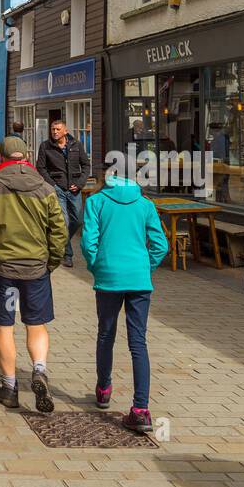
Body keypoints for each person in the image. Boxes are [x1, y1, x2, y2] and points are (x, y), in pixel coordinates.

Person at [0, 135, 67, 412]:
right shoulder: (45, 188)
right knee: (36, 323)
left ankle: (9, 387)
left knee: (5, 325)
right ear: (25, 156)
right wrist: (53, 260)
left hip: (1, 268)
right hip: (36, 267)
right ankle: (38, 369)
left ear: (1, 157)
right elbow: (59, 229)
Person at [80, 174, 169, 432]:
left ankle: (104, 388)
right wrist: (146, 267)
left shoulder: (96, 202)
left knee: (106, 334)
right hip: (139, 279)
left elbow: (88, 242)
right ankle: (141, 409)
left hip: (109, 277)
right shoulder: (145, 205)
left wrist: (96, 265)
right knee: (138, 342)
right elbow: (160, 245)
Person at [36, 118, 90, 268]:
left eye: (58, 129)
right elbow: (41, 168)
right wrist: (52, 185)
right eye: (53, 129)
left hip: (74, 189)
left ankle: (56, 241)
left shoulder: (76, 145)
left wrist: (80, 184)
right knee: (64, 222)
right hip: (57, 189)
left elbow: (86, 165)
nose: (55, 132)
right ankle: (67, 254)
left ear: (65, 131)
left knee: (78, 220)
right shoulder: (45, 146)